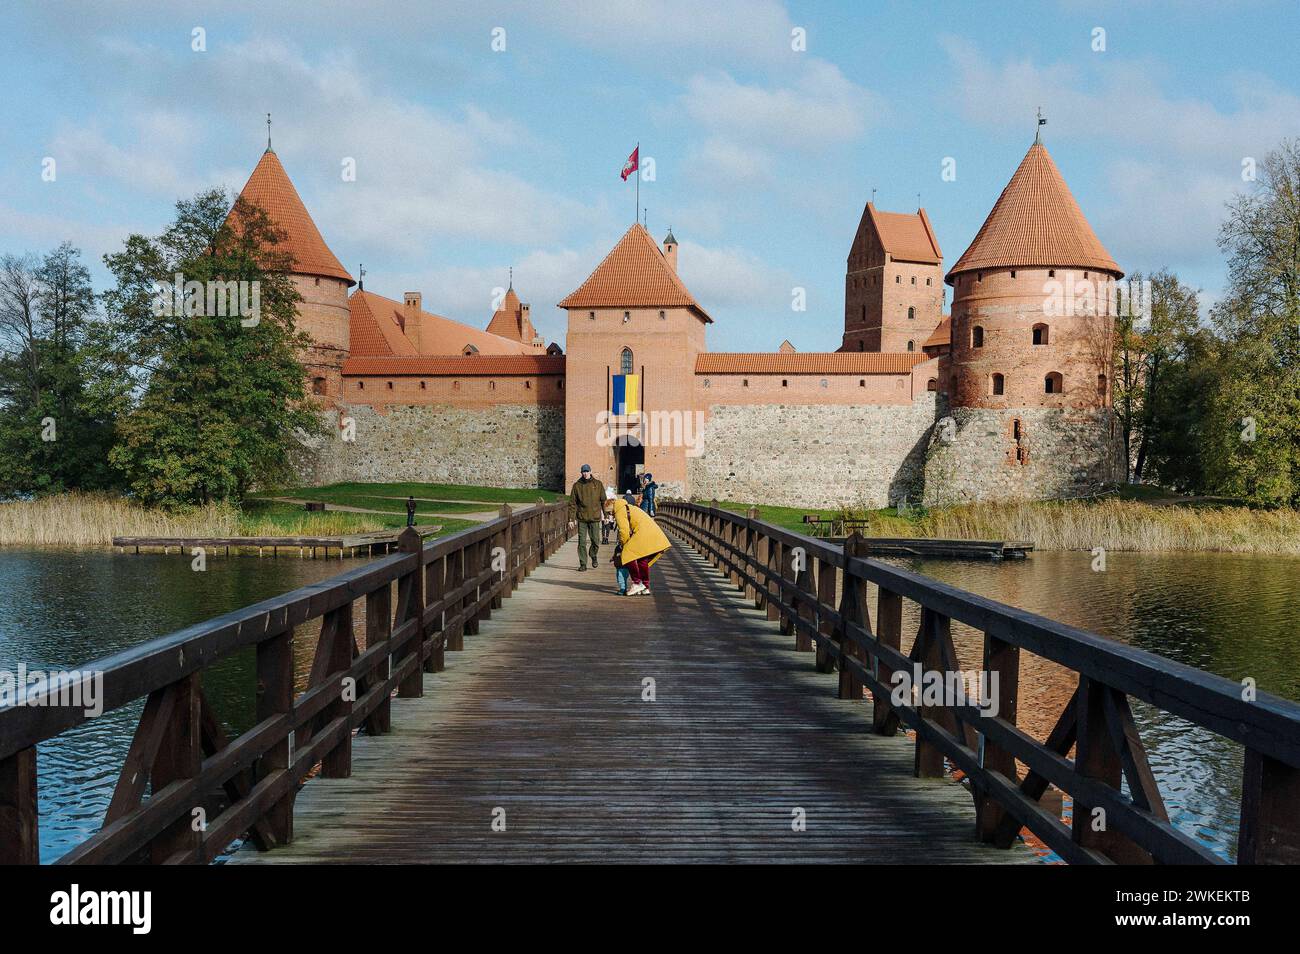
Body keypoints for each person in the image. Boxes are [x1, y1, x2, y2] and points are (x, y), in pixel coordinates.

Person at [608, 494, 671, 596]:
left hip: (643, 532)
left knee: (628, 555)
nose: (610, 514)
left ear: (612, 508)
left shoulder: (619, 511)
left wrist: (623, 545)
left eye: (609, 512)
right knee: (642, 559)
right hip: (651, 531)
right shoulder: (627, 507)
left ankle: (636, 582)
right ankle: (645, 586)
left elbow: (624, 531)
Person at [569, 464, 606, 571]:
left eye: (587, 471)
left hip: (595, 517)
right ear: (581, 473)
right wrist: (571, 519)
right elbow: (572, 503)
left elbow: (603, 501)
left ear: (590, 472)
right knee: (582, 542)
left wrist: (606, 515)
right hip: (582, 518)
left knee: (596, 541)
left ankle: (593, 555)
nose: (585, 474)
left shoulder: (598, 484)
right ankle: (583, 563)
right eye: (583, 472)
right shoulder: (577, 485)